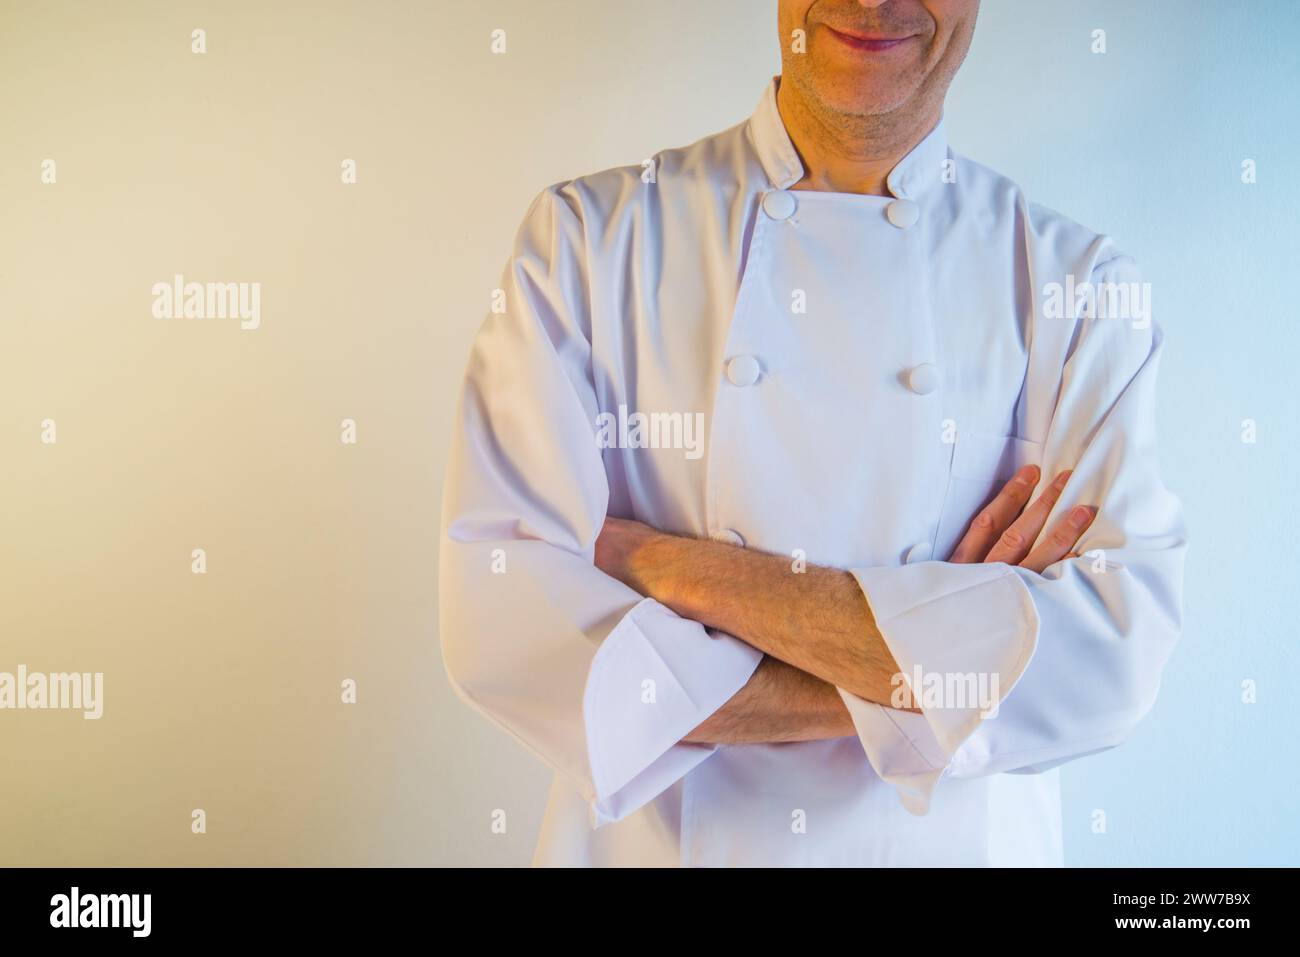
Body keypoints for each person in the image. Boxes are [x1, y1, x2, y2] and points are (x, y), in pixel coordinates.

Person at [439, 0, 1186, 867]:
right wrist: (945, 662)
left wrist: (678, 569)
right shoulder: (585, 244)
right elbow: (505, 624)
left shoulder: (1079, 289)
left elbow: (1110, 660)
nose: (876, 2)